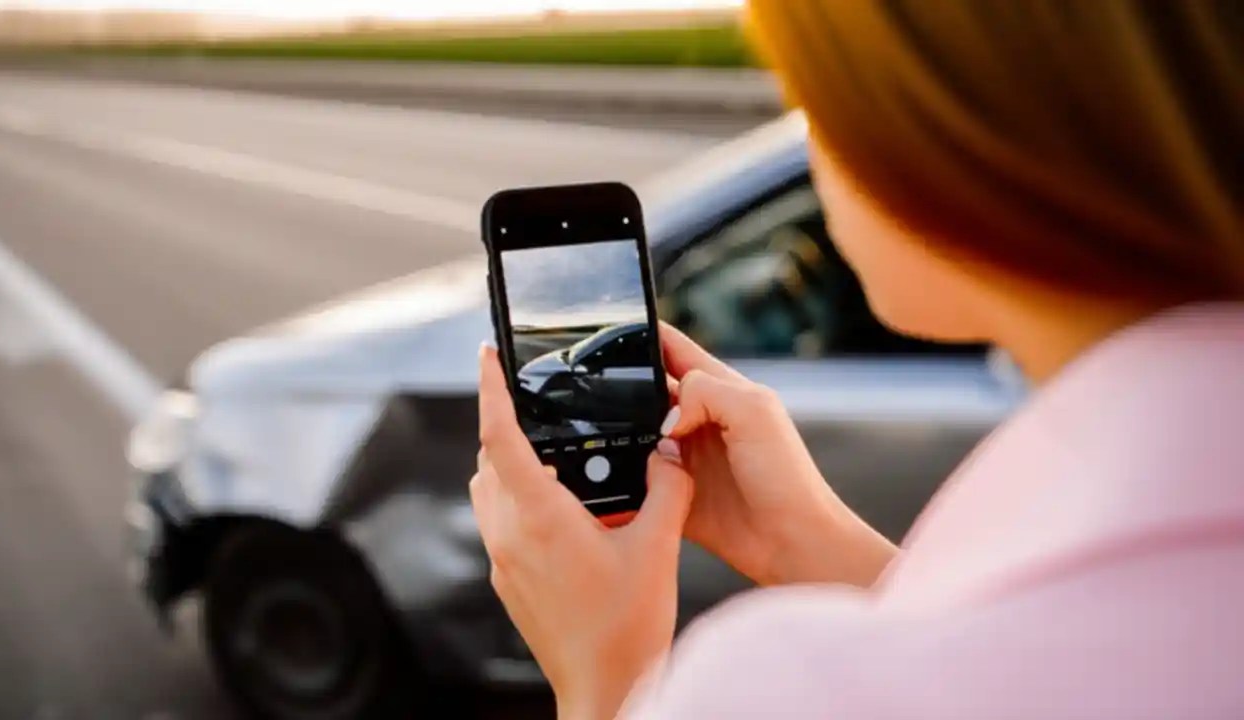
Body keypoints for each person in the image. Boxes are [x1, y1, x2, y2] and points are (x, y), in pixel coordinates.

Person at [470, 1, 1244, 718]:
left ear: (935, 116)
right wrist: (809, 544)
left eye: (814, 102)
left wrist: (609, 676)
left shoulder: (780, 691)